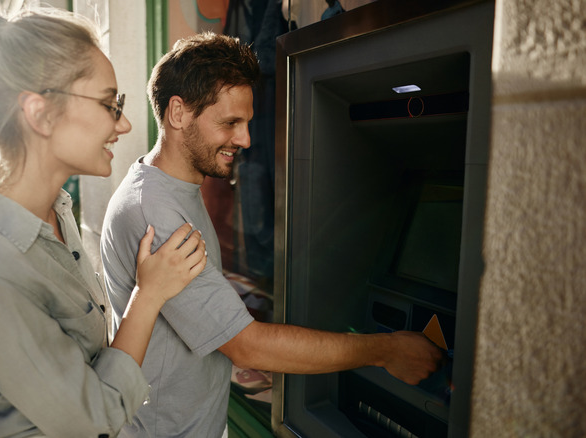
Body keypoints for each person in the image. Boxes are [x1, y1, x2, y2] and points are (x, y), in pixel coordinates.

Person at [100, 32, 444, 437]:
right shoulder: (154, 211)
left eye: (246, 123)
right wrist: (387, 350)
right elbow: (247, 346)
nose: (245, 139)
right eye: (230, 123)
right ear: (178, 113)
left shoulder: (170, 187)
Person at [0, 4, 207, 438]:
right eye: (109, 103)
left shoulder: (56, 213)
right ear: (40, 113)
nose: (123, 123)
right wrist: (149, 294)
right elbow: (93, 417)